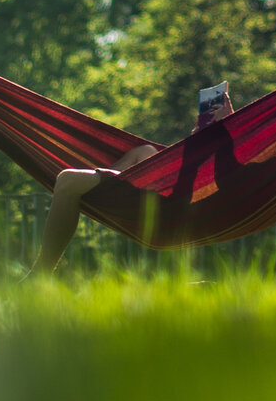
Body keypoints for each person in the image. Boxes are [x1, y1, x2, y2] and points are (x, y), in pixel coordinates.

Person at [27, 92, 234, 275]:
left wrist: (223, 130)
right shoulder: (216, 147)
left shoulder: (224, 161)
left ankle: (40, 272)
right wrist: (200, 137)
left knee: (67, 180)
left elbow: (211, 177)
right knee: (145, 151)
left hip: (166, 203)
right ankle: (100, 182)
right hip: (162, 183)